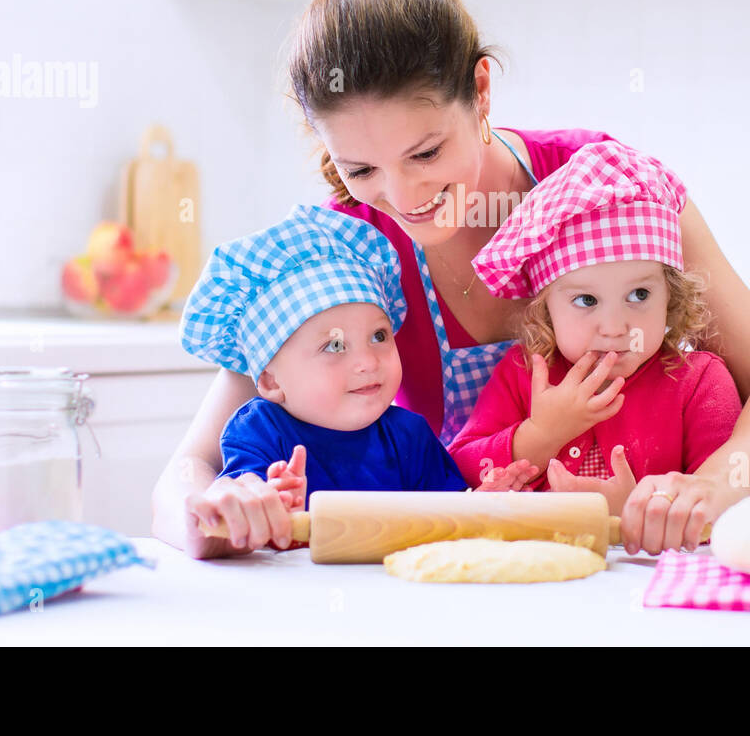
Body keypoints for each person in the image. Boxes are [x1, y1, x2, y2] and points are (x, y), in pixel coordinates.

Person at [152, 0, 750, 559]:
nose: (403, 197)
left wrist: (706, 492)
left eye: (425, 153)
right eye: (361, 168)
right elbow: (192, 464)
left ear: (479, 91)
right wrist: (209, 510)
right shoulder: (341, 252)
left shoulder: (605, 185)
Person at [176, 204, 536, 549]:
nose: (367, 361)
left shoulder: (408, 435)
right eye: (334, 346)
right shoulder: (258, 432)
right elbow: (237, 516)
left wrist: (479, 504)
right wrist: (271, 507)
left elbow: (445, 522)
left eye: (379, 336)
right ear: (271, 381)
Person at [448, 141, 743, 529]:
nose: (615, 326)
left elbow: (725, 506)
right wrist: (539, 435)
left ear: (671, 295)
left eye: (639, 295)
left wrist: (635, 509)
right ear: (545, 308)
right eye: (587, 300)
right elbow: (462, 471)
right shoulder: (524, 374)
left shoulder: (698, 382)